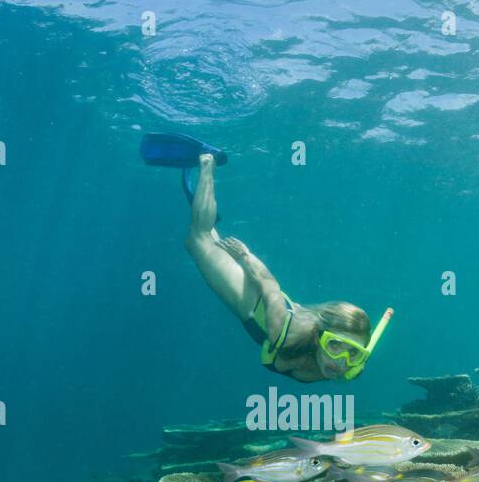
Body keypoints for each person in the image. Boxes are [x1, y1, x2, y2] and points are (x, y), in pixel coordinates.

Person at [168, 145, 391, 382]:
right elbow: (268, 285)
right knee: (197, 239)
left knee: (209, 238)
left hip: (263, 306)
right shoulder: (286, 331)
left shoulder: (348, 367)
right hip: (250, 299)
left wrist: (354, 359)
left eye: (354, 353)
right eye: (335, 345)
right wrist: (245, 256)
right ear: (318, 336)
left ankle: (206, 208)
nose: (342, 361)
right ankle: (206, 162)